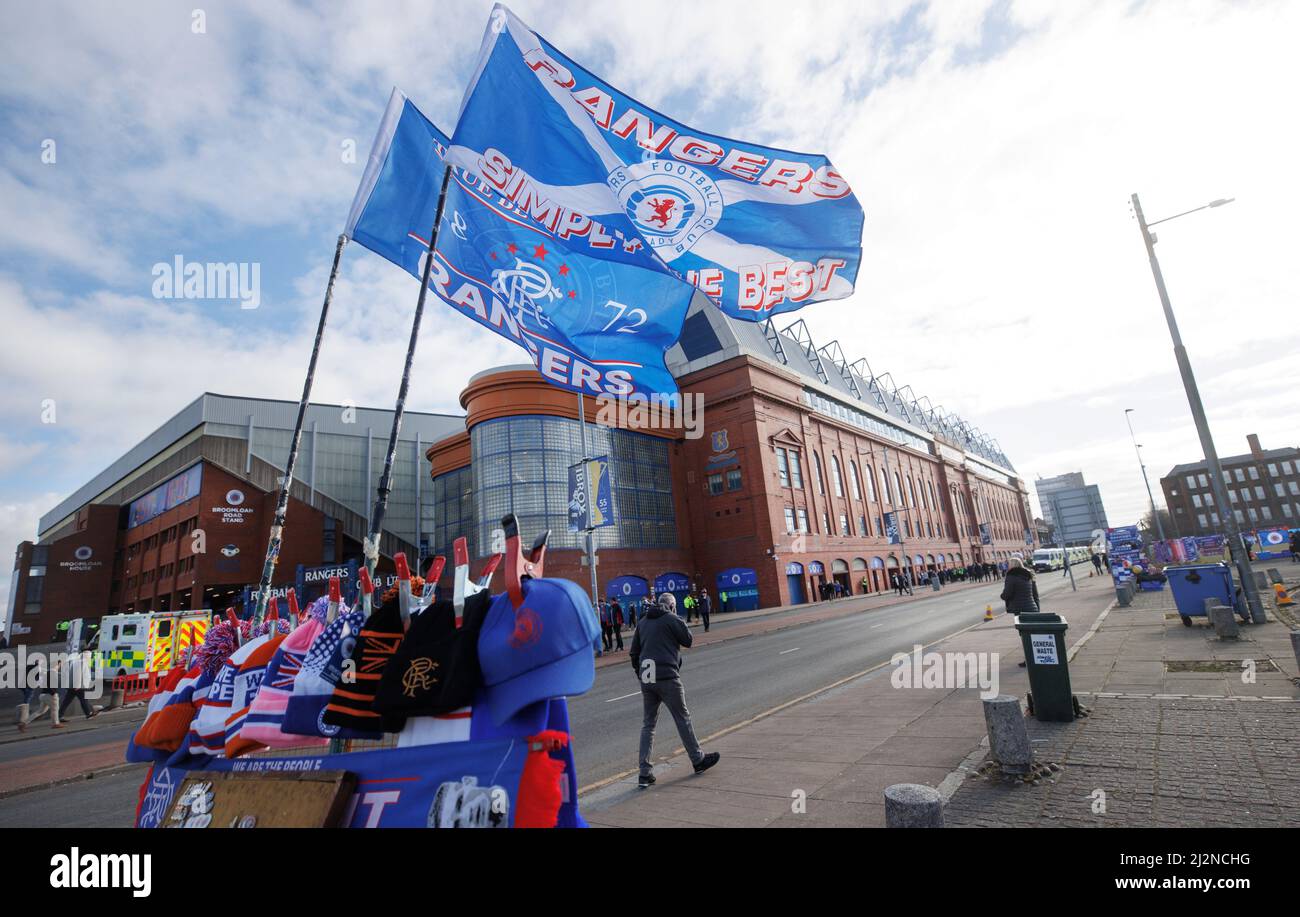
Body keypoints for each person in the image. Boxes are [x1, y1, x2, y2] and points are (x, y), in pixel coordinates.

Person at [630, 592, 719, 788]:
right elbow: (688, 640)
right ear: (672, 606)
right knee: (682, 718)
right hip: (667, 676)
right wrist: (677, 616)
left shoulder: (643, 621)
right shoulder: (672, 618)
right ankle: (697, 760)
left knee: (648, 725)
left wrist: (641, 673)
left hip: (648, 676)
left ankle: (644, 773)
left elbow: (634, 652)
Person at [1001, 556, 1040, 668]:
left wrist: (1002, 596)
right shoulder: (1028, 575)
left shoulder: (1011, 576)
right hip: (1032, 608)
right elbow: (1035, 595)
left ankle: (1029, 660)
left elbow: (1007, 594)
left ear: (1012, 565)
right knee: (1033, 635)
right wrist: (1037, 609)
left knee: (1025, 636)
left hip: (1020, 610)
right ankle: (1034, 658)